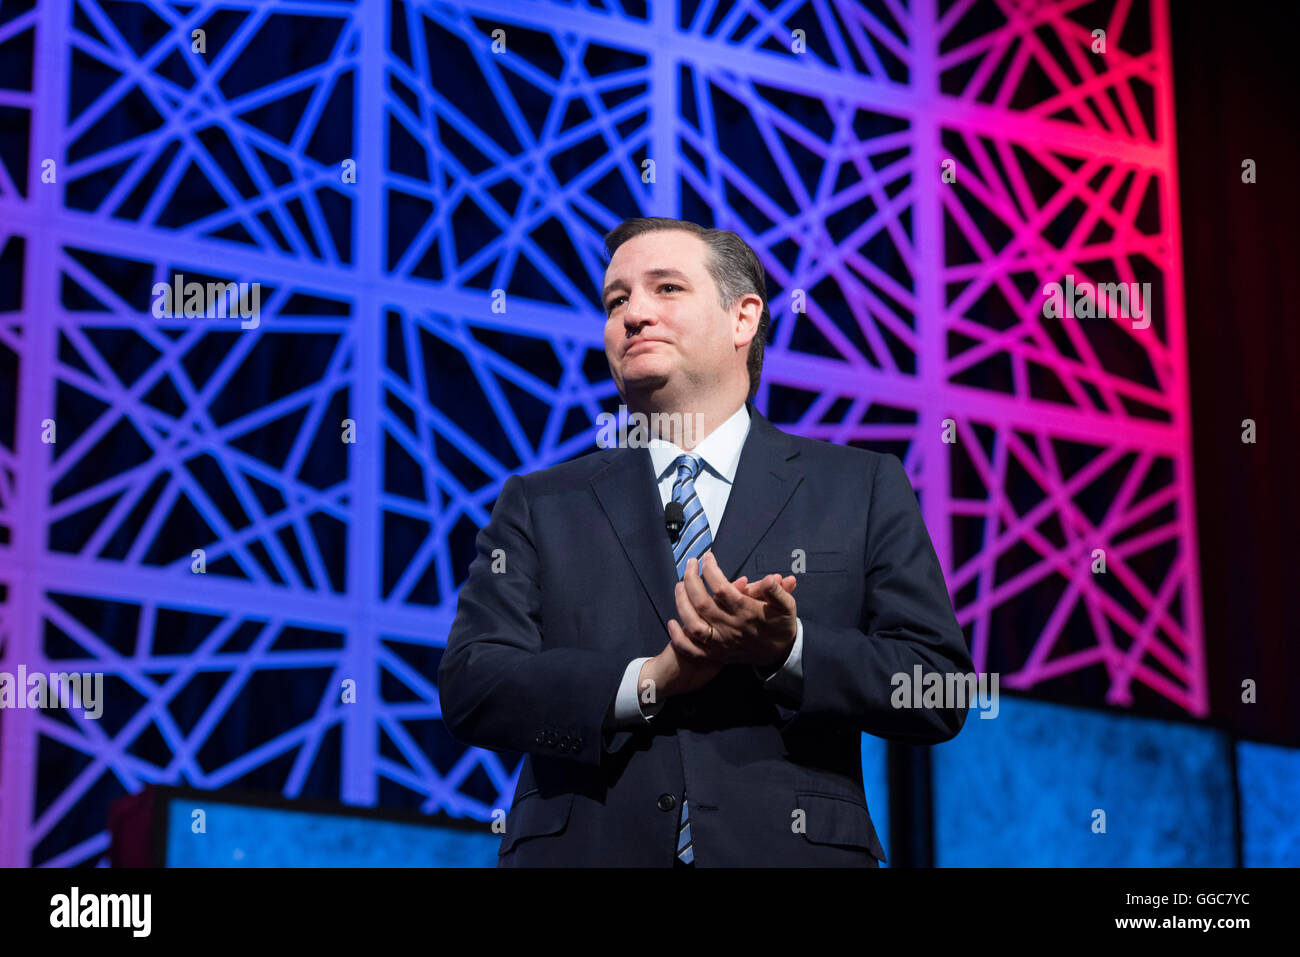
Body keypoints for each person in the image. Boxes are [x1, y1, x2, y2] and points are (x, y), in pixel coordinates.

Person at [439, 217, 973, 866]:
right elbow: (473, 684)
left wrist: (789, 650)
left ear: (743, 318)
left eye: (665, 288)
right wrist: (646, 682)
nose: (633, 314)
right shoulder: (541, 501)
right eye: (615, 300)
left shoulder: (860, 486)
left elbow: (938, 685)